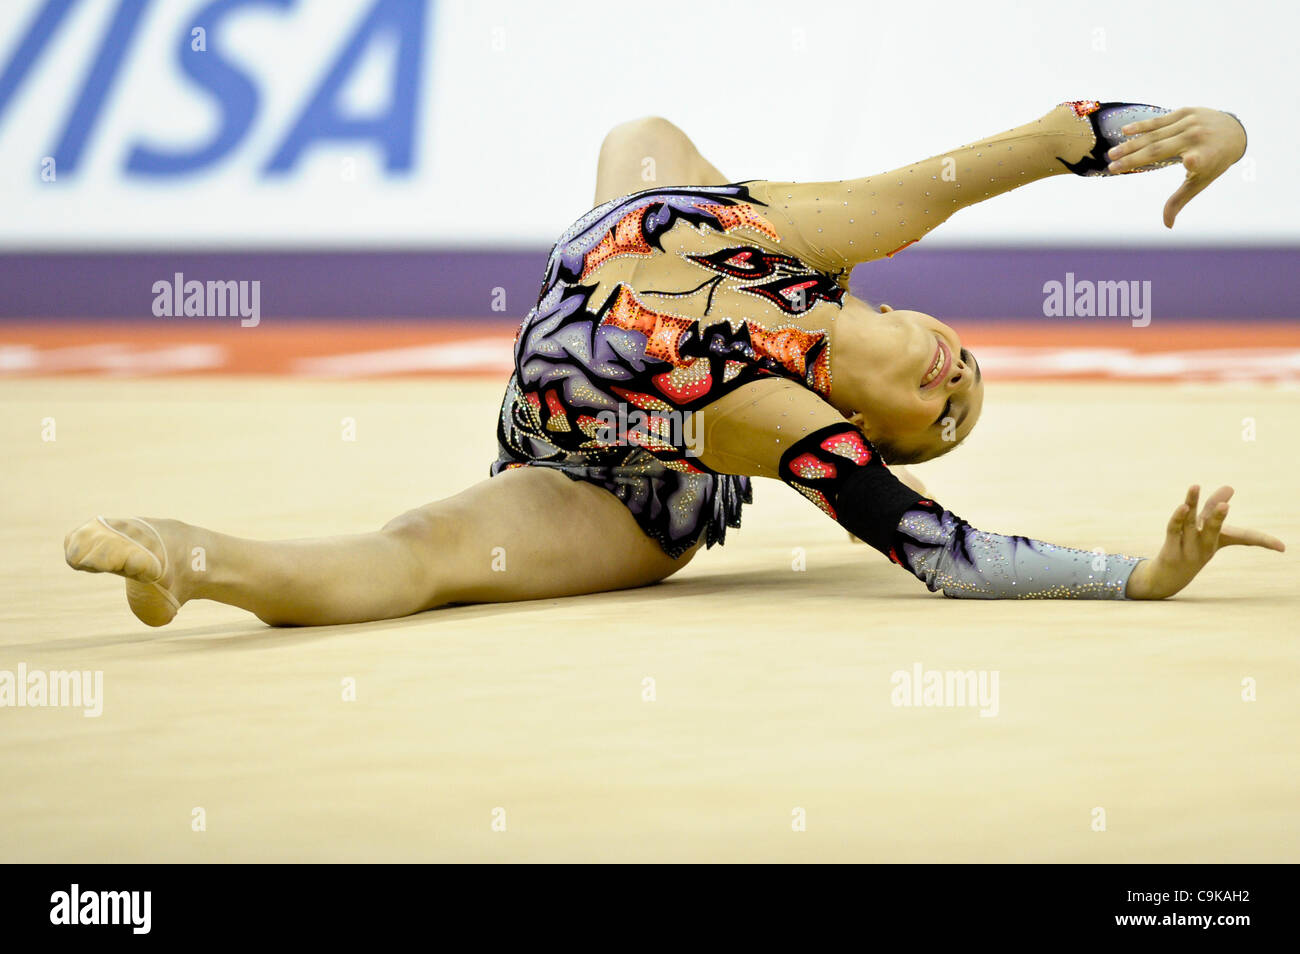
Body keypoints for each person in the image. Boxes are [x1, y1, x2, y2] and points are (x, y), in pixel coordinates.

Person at [64, 100, 1283, 627]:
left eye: (943, 423)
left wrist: (1139, 577)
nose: (954, 386)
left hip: (618, 483)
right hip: (624, 290)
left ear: (861, 430)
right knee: (641, 137)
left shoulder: (772, 416)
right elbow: (1039, 142)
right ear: (900, 304)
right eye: (967, 374)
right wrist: (1204, 126)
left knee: (423, 555)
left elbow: (948, 557)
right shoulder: (812, 236)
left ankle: (193, 558)